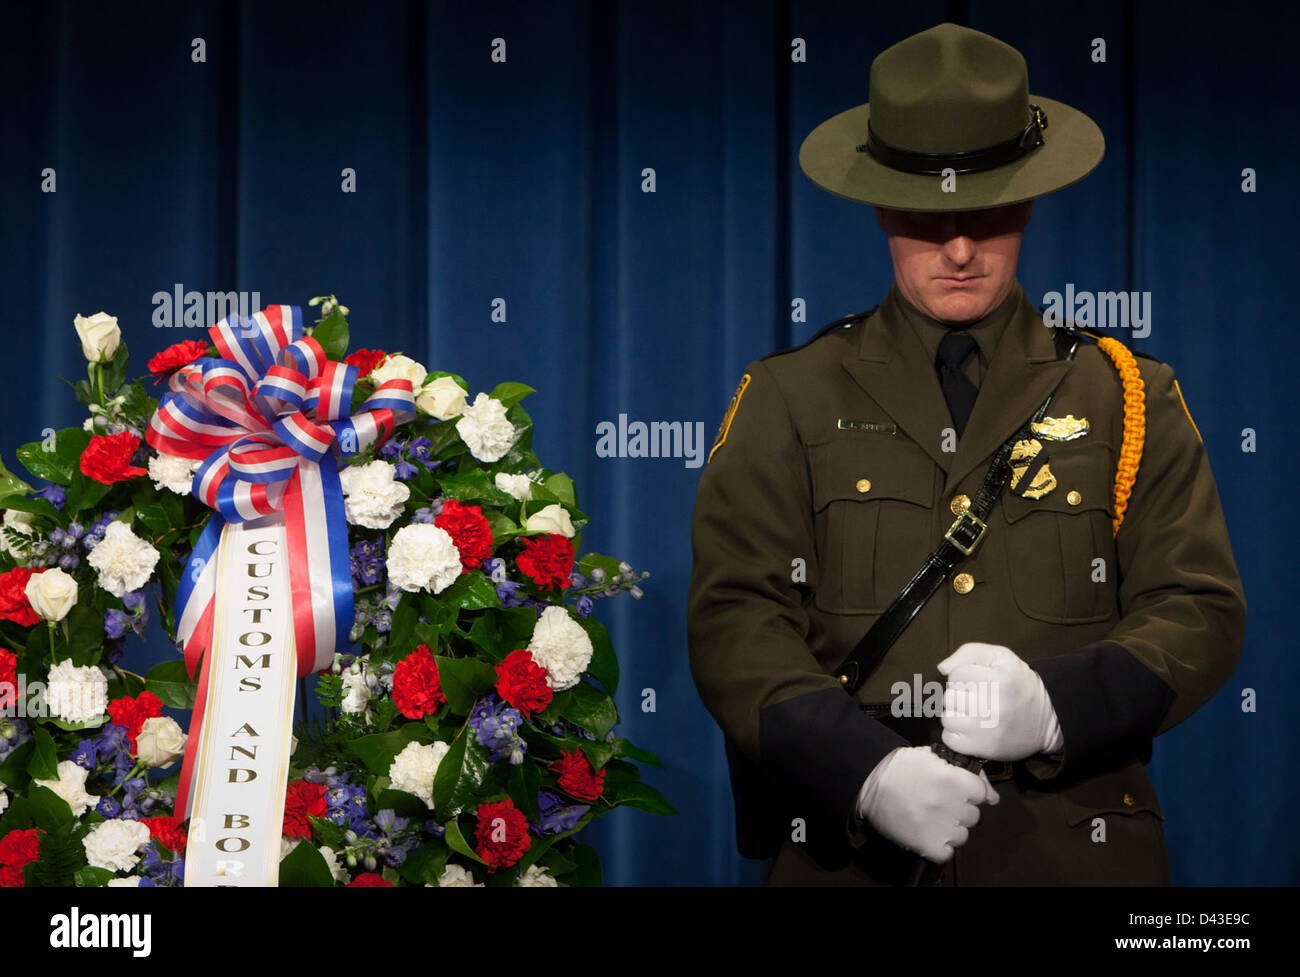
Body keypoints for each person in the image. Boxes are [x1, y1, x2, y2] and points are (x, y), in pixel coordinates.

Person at [687, 22, 1246, 885]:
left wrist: (1059, 707)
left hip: (1071, 851)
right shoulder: (790, 396)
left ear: (1027, 199)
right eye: (926, 212)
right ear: (878, 205)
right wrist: (862, 769)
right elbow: (736, 619)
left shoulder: (1125, 393)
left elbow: (1199, 607)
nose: (958, 247)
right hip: (850, 856)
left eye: (986, 210)